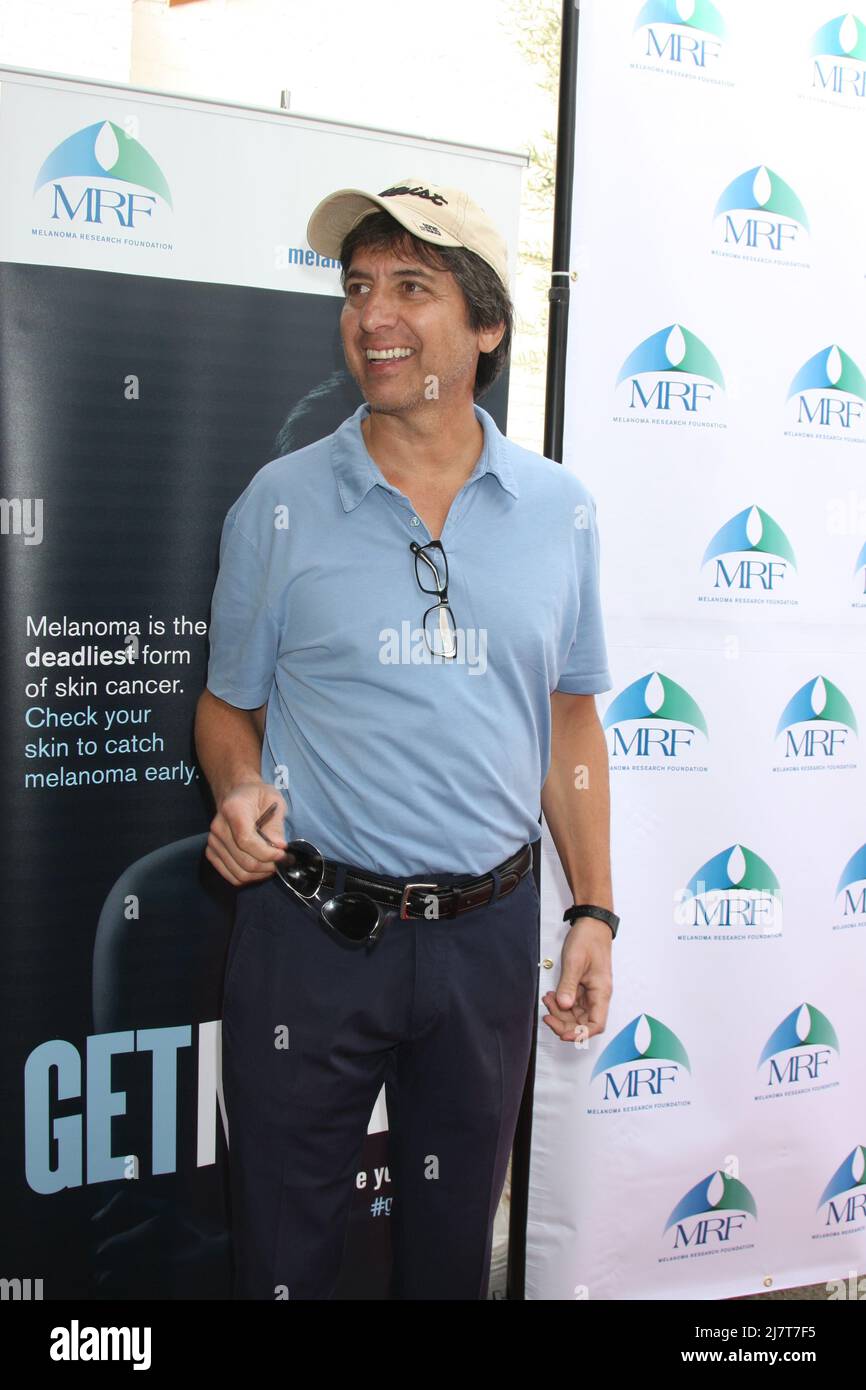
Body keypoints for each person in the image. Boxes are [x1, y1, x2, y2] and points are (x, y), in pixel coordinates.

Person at [194, 174, 617, 1301]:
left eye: (411, 286)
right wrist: (237, 791)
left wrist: (591, 907)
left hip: (485, 944)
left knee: (449, 1266)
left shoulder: (558, 511)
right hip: (307, 942)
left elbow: (569, 716)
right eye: (357, 286)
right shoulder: (278, 502)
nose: (371, 314)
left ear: (482, 326)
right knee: (282, 1259)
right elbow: (226, 710)